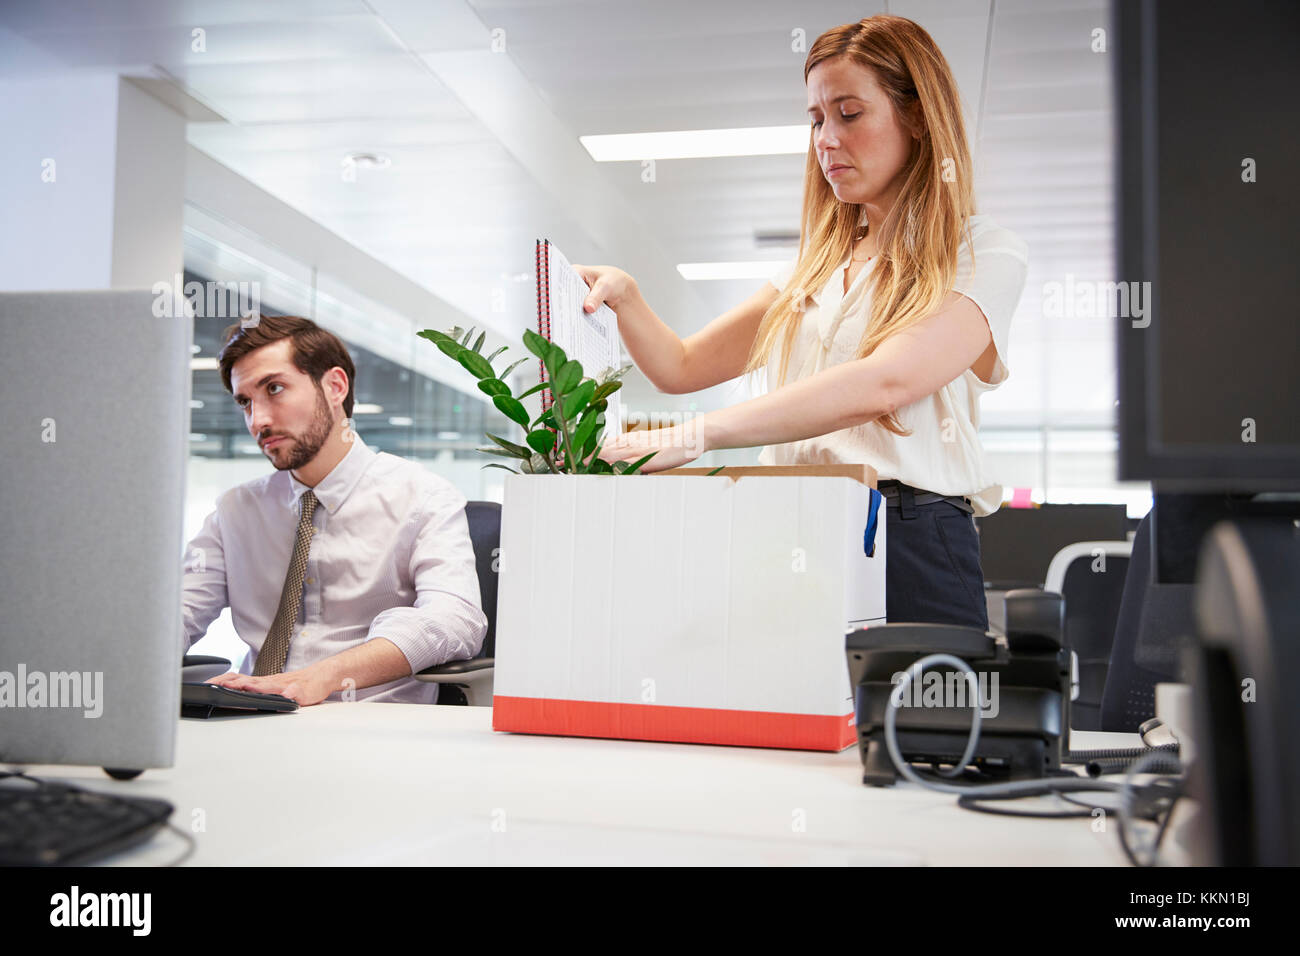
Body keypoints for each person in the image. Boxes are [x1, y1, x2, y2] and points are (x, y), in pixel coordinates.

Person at [582, 15, 1030, 629]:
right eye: (817, 119)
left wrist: (694, 436)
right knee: (782, 719)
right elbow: (681, 367)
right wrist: (628, 298)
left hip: (910, 536)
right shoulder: (811, 269)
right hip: (791, 528)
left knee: (918, 724)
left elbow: (886, 382)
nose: (825, 138)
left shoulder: (980, 253)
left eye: (849, 113)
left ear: (919, 118)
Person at [182, 315, 487, 704]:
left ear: (335, 386)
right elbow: (178, 612)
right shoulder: (236, 510)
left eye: (274, 389)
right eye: (245, 402)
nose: (258, 420)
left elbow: (456, 619)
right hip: (253, 720)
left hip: (372, 730)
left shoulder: (422, 496)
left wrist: (323, 677)